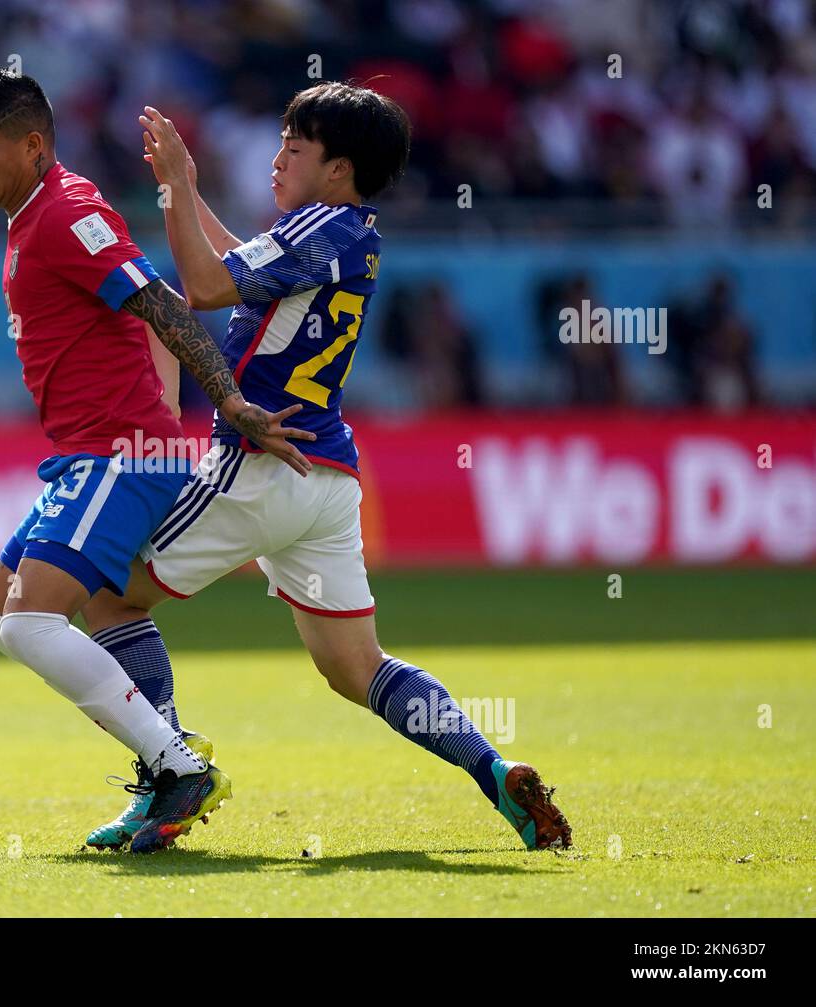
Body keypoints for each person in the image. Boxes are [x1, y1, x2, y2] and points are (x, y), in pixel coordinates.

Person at [80, 82, 573, 852]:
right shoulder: (348, 233)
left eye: (295, 147)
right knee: (357, 667)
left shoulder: (317, 227)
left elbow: (206, 287)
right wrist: (190, 194)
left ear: (338, 168)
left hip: (259, 461)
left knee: (109, 600)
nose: (276, 158)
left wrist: (175, 186)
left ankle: (169, 776)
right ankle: (494, 769)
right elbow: (231, 264)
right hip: (328, 480)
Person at [0, 70, 313, 853]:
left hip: (118, 455)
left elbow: (161, 302)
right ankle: (168, 763)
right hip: (87, 457)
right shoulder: (31, 215)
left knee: (33, 618)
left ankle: (173, 763)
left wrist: (227, 401)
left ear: (33, 144)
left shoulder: (67, 213)